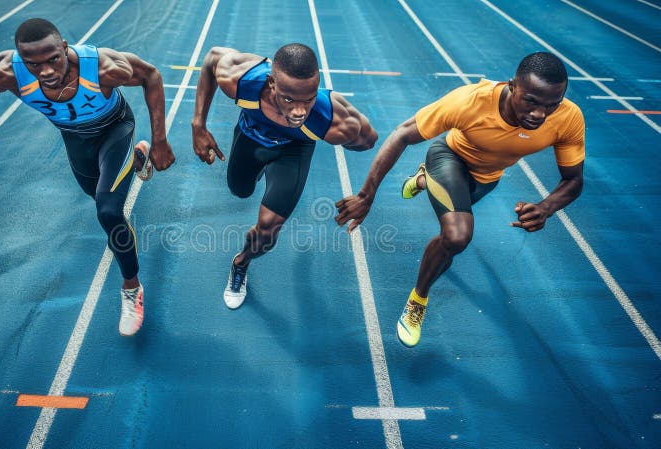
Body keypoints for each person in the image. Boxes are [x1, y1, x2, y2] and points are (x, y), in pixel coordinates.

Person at [335, 52, 585, 348]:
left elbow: (574, 180)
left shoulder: (569, 118)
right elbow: (402, 133)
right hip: (449, 158)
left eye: (551, 105)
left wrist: (546, 207)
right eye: (531, 101)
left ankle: (421, 180)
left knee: (452, 234)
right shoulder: (470, 101)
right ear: (512, 86)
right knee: (456, 237)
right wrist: (366, 195)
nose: (540, 114)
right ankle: (418, 299)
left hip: (486, 179)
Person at [0, 18, 175, 336]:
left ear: (65, 47)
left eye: (53, 60)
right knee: (99, 201)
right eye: (34, 64)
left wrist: (160, 139)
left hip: (114, 129)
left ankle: (131, 288)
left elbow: (151, 76)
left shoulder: (103, 67)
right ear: (22, 59)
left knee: (109, 212)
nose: (45, 71)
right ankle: (137, 158)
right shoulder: (9, 72)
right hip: (76, 140)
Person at [191, 44, 378, 309]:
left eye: (309, 99)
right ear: (272, 83)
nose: (300, 111)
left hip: (293, 152)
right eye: (290, 99)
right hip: (251, 137)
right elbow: (212, 58)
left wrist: (341, 140)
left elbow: (368, 141)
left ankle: (240, 263)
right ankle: (258, 172)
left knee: (267, 231)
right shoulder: (241, 80)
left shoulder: (333, 119)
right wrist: (198, 125)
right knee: (240, 190)